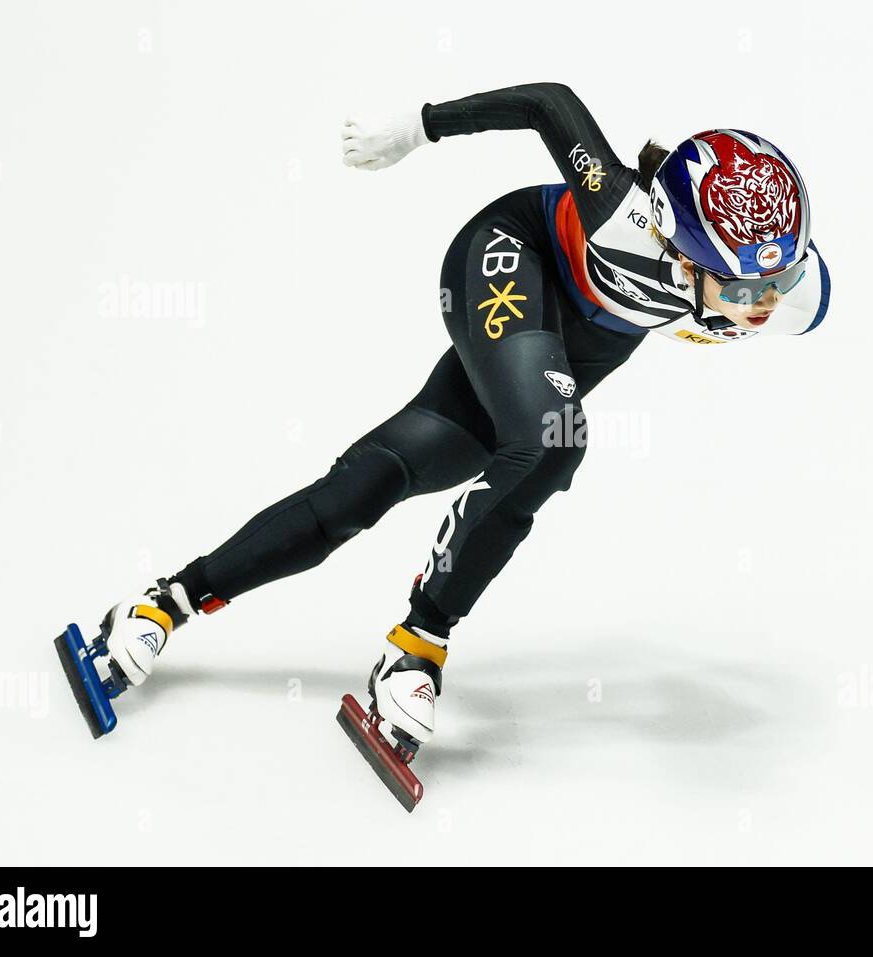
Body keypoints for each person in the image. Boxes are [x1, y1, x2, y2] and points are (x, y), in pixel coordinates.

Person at [73, 82, 830, 768]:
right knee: (553, 442)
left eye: (783, 276)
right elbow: (550, 104)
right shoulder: (622, 210)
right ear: (675, 244)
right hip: (509, 257)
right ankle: (418, 644)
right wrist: (418, 127)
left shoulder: (787, 289)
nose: (765, 304)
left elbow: (776, 281)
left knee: (372, 483)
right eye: (747, 286)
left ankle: (160, 603)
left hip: (568, 339)